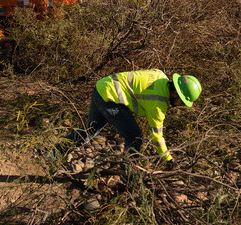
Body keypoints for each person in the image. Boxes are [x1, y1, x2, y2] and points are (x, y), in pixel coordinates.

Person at [53, 70, 202, 166]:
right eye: (182, 102)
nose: (180, 105)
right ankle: (128, 175)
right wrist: (168, 160)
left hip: (101, 88)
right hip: (109, 100)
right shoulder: (158, 102)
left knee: (91, 129)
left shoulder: (160, 75)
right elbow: (156, 136)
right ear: (175, 94)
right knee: (135, 137)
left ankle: (54, 153)